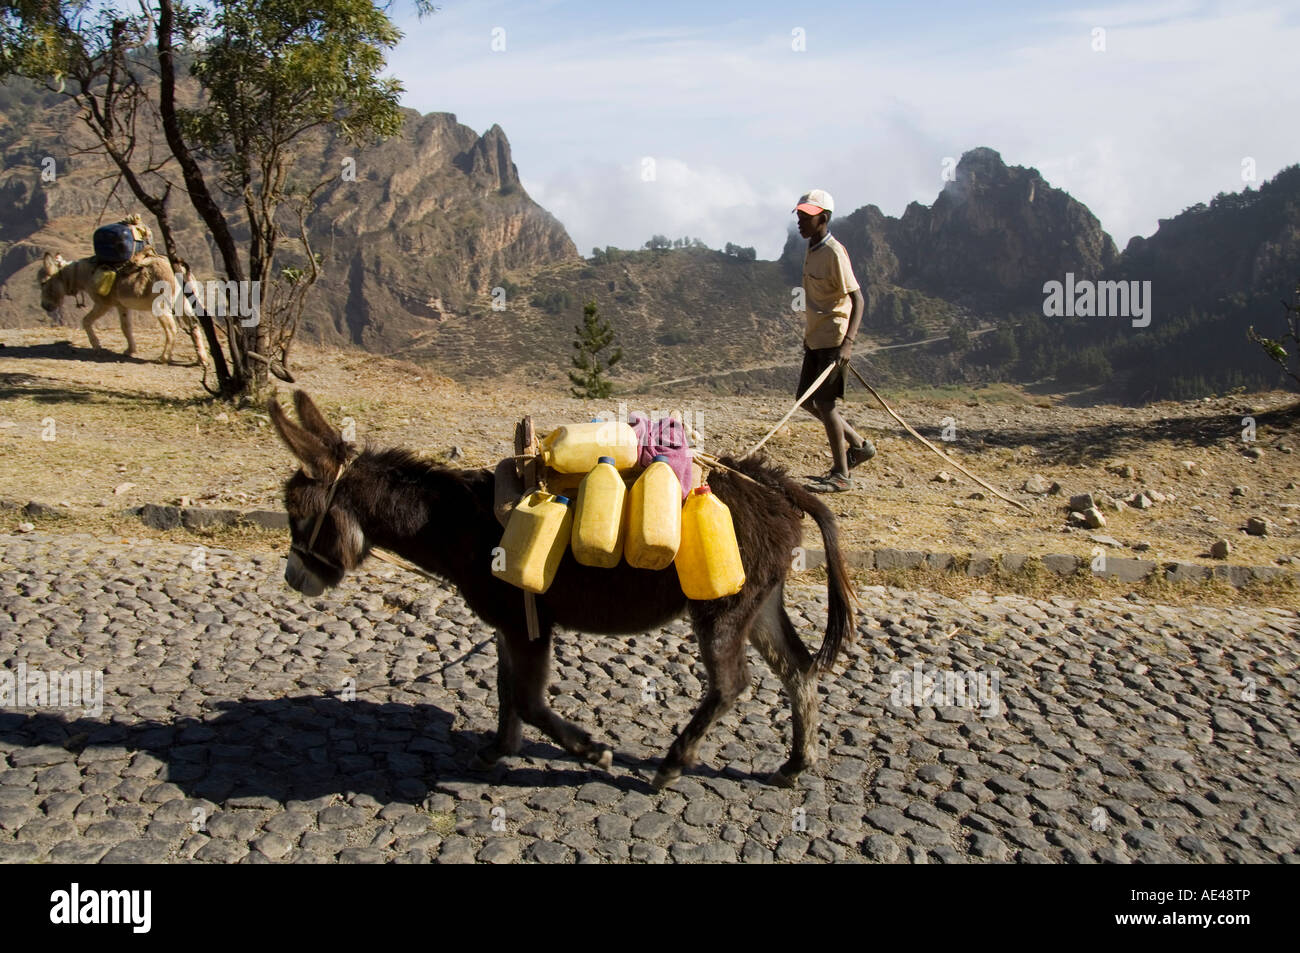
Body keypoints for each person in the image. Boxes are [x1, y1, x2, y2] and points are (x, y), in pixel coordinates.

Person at [792, 188, 875, 492]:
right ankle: (859, 445)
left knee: (826, 405)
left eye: (807, 217)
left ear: (823, 219)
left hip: (834, 339)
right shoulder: (812, 248)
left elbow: (858, 299)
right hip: (815, 338)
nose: (800, 221)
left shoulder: (834, 252)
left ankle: (842, 475)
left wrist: (848, 343)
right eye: (799, 215)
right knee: (805, 398)